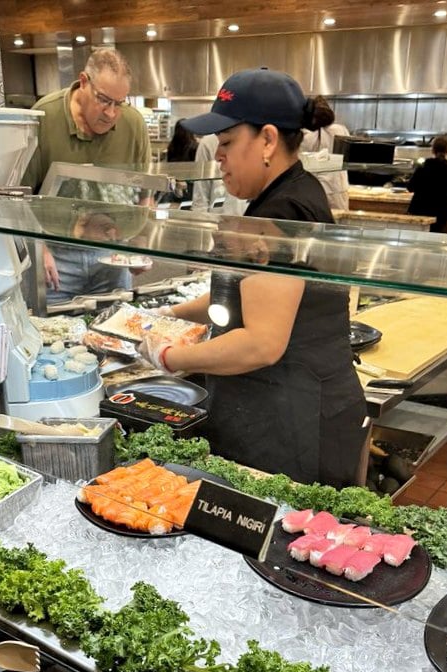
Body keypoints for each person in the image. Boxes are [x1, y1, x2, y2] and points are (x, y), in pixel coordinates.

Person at [138, 68, 367, 489]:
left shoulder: (281, 215)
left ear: (267, 140)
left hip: (293, 423)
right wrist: (167, 314)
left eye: (226, 142)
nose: (218, 155)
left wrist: (171, 358)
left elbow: (262, 342)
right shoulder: (286, 195)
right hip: (290, 406)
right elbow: (240, 297)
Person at [22, 46, 152, 307]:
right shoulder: (44, 117)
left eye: (120, 103)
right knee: (53, 334)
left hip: (114, 251)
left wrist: (139, 243)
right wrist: (39, 249)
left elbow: (145, 192)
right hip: (57, 254)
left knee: (114, 330)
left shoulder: (133, 124)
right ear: (83, 81)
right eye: (104, 100)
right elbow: (21, 196)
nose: (111, 113)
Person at [299, 98, 351, 211]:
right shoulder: (341, 130)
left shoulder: (304, 134)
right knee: (337, 226)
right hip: (338, 190)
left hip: (311, 192)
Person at [407, 134, 447, 232]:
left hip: (420, 208)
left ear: (433, 150)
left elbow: (411, 187)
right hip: (442, 211)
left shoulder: (424, 166)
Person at [191, 134, 248, 215]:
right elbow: (200, 196)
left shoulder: (253, 140)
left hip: (247, 219)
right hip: (217, 219)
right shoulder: (208, 143)